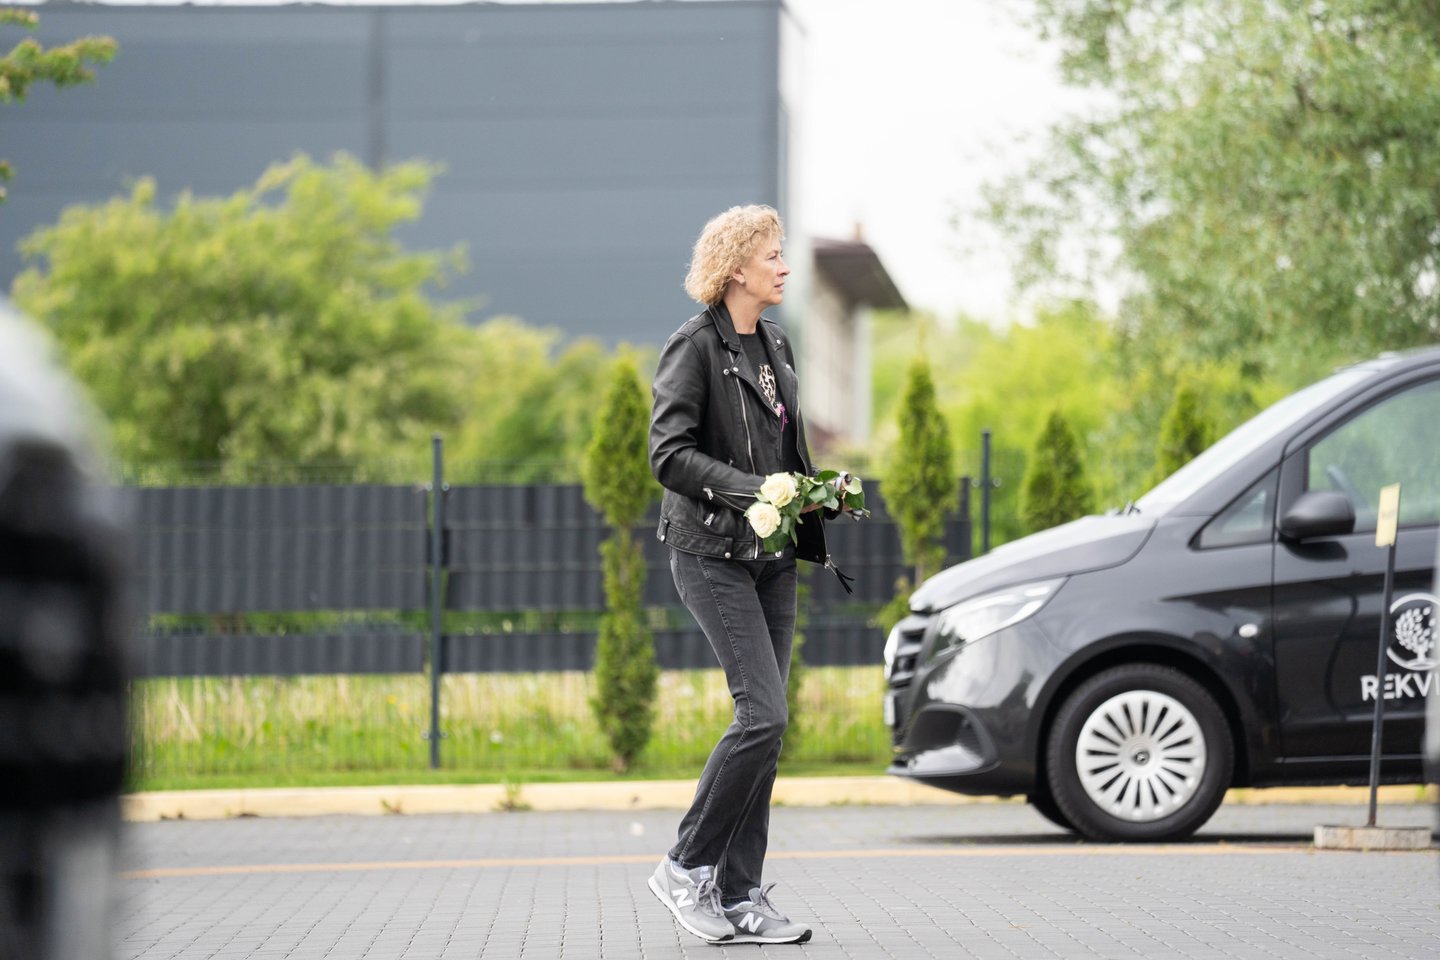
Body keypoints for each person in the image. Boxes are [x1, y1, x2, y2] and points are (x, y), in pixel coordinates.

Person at [646, 204, 846, 945]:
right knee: (762, 716)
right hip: (711, 555)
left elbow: (781, 451)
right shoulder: (693, 347)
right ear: (736, 268)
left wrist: (820, 493)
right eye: (773, 256)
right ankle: (684, 866)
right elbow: (668, 454)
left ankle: (740, 895)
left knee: (768, 731)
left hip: (773, 558)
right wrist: (748, 490)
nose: (785, 266)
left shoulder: (777, 344)